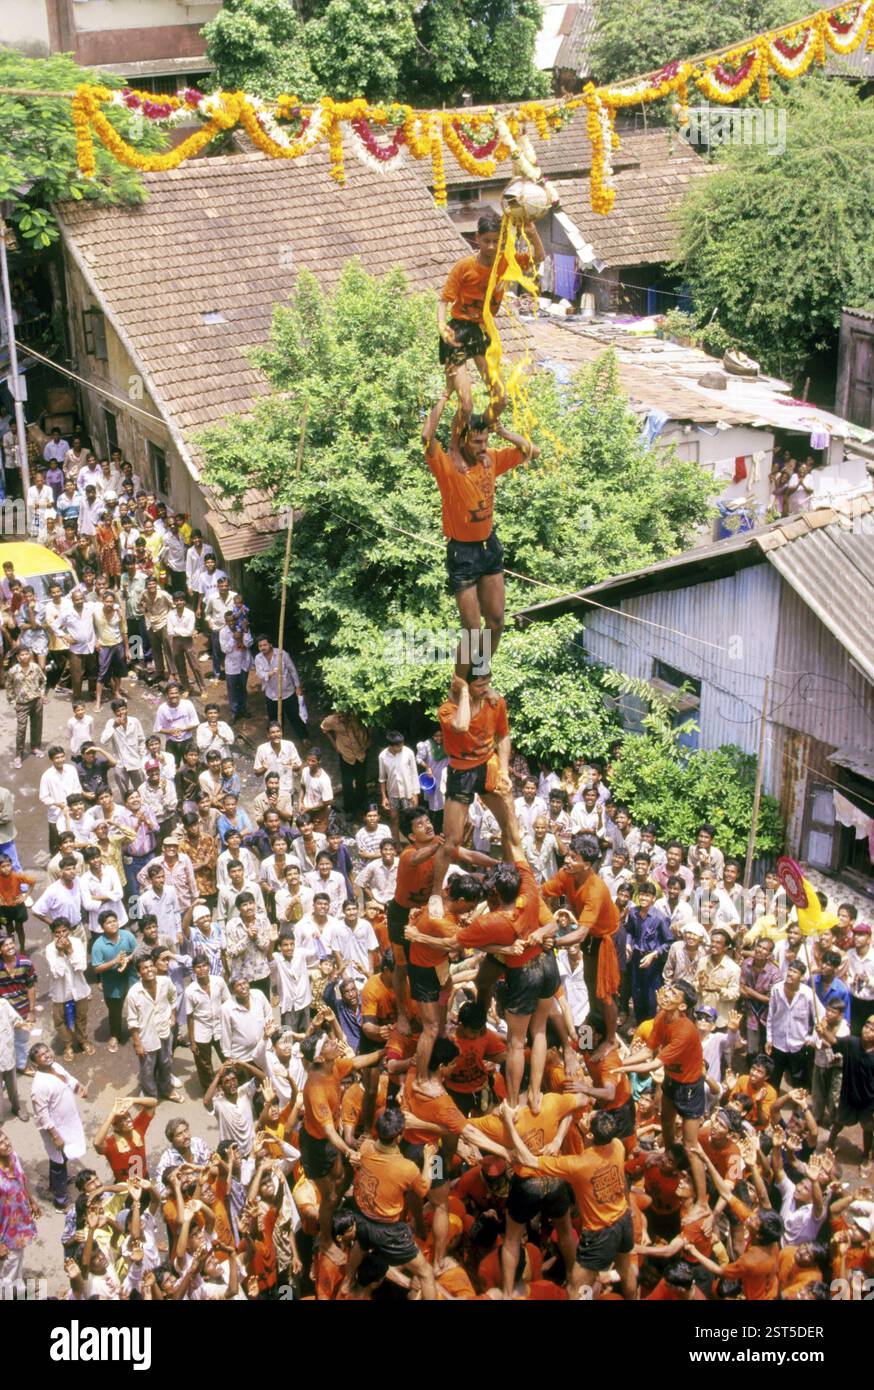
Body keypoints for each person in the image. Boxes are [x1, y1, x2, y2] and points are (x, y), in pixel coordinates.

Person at [422, 395, 538, 675]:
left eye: (485, 441)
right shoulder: (448, 468)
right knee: (473, 631)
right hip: (463, 553)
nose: (482, 447)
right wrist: (446, 395)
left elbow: (533, 452)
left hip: (489, 547)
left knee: (496, 622)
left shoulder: (491, 459)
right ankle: (459, 684)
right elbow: (427, 438)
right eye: (476, 442)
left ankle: (480, 675)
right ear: (462, 441)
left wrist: (503, 431)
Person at [504, 1104, 637, 1301]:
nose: (584, 1116)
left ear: (590, 1135)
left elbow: (528, 1160)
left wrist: (508, 1122)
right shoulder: (617, 1146)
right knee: (625, 1269)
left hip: (599, 1233)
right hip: (623, 1220)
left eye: (587, 1118)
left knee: (576, 1289)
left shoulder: (578, 1165)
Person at [437, 208, 543, 427]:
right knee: (466, 404)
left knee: (501, 399)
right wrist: (441, 325)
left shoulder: (505, 262)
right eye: (486, 241)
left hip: (482, 331)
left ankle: (478, 432)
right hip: (457, 332)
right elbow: (444, 301)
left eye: (496, 242)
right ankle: (457, 440)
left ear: (502, 242)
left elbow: (538, 258)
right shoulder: (464, 267)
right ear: (477, 238)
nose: (491, 247)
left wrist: (532, 233)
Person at [620, 981, 708, 1203]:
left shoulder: (685, 1031)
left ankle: (702, 1201)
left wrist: (622, 1068)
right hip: (671, 1079)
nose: (666, 995)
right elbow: (647, 1052)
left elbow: (653, 1064)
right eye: (668, 990)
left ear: (682, 1006)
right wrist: (621, 1062)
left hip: (689, 1087)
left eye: (673, 994)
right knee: (666, 1122)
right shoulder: (661, 1017)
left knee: (690, 1146)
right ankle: (669, 1159)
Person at [345, 1106, 439, 1299]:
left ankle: (347, 1282)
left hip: (363, 1218)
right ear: (399, 1136)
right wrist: (429, 1160)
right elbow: (423, 1189)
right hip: (388, 1230)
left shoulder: (366, 1147)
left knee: (361, 1244)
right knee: (426, 1274)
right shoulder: (407, 1168)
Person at [542, 833, 622, 1053]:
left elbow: (579, 934)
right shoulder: (566, 874)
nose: (567, 860)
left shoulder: (596, 890)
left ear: (586, 864)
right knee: (590, 986)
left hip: (606, 938)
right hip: (589, 935)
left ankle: (611, 1039)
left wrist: (551, 941)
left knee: (604, 993)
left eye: (573, 858)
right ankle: (590, 1037)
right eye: (568, 855)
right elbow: (543, 891)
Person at [29, 1041, 87, 1210]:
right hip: (56, 1129)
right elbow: (42, 1115)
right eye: (41, 1055)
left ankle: (56, 1184)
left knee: (61, 1158)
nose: (46, 1055)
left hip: (68, 1123)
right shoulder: (39, 1086)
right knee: (58, 1161)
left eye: (46, 1051)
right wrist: (55, 1136)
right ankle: (61, 1200)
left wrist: (78, 1087)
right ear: (35, 1063)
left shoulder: (55, 1066)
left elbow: (68, 1078)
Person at [123, 954, 183, 1103]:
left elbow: (173, 997)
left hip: (164, 1031)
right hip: (146, 1037)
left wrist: (173, 1015)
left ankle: (166, 1089)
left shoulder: (165, 982)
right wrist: (137, 1043)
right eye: (145, 968)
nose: (149, 970)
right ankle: (151, 1097)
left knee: (166, 1063)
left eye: (151, 966)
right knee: (147, 1069)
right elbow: (132, 1021)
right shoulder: (133, 993)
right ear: (139, 973)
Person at [90, 911, 138, 1053]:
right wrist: (115, 961)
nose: (112, 924)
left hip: (131, 977)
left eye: (114, 921)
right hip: (112, 984)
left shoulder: (127, 935)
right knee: (115, 1011)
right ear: (102, 927)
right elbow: (97, 968)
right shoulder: (98, 945)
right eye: (108, 923)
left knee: (138, 1004)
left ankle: (141, 1032)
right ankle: (115, 1036)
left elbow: (136, 951)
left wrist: (128, 959)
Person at [45, 920, 92, 1063]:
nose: (61, 935)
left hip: (79, 989)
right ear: (53, 934)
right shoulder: (50, 948)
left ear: (69, 931)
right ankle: (68, 1045)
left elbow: (82, 967)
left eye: (64, 931)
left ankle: (83, 1040)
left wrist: (70, 950)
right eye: (57, 932)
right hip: (60, 991)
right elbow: (57, 973)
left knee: (81, 1017)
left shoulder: (77, 943)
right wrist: (60, 952)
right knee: (60, 1021)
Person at [766, 959, 816, 1092]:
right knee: (773, 1079)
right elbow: (770, 1016)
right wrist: (769, 1039)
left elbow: (819, 1018)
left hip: (798, 1045)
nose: (790, 974)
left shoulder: (808, 994)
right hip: (778, 1043)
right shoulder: (776, 989)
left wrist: (812, 1038)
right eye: (790, 970)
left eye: (795, 972)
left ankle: (797, 1103)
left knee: (798, 1081)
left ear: (801, 976)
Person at [0, 1129, 41, 1290]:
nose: (6, 1144)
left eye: (6, 1138)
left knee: (18, 1257)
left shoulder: (13, 1156)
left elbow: (21, 1181)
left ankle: (19, 1288)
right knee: (9, 1268)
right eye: (1, 1143)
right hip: (5, 1232)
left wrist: (31, 1201)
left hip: (20, 1222)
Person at [254, 636, 307, 741]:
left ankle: (304, 737)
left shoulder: (282, 654)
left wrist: (297, 686)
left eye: (265, 645)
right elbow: (259, 673)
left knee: (294, 716)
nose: (262, 647)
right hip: (271, 694)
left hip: (287, 692)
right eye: (260, 646)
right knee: (275, 720)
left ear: (270, 644)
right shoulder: (258, 658)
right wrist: (270, 673)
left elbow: (292, 670)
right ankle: (277, 740)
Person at [321, 711, 370, 818]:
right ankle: (349, 809)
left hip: (361, 751)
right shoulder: (333, 720)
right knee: (347, 782)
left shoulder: (357, 714)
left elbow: (370, 723)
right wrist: (335, 744)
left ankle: (362, 803)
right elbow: (324, 728)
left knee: (361, 779)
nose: (344, 718)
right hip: (346, 754)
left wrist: (367, 738)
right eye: (342, 716)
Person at [7, 648, 47, 770]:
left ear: (29, 655)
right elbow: (9, 686)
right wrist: (12, 701)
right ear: (18, 657)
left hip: (36, 701)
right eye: (22, 654)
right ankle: (18, 755)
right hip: (22, 703)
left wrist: (42, 694)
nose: (25, 656)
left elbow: (43, 681)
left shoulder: (35, 667)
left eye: (26, 654)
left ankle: (35, 747)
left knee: (37, 725)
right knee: (21, 729)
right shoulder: (13, 670)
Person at [378, 731, 420, 843]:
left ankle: (416, 844)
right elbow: (382, 778)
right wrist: (384, 797)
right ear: (391, 746)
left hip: (408, 793)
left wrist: (415, 794)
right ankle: (397, 845)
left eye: (402, 744)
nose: (402, 747)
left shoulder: (408, 752)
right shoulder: (382, 756)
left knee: (411, 818)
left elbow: (414, 773)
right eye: (399, 746)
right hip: (393, 794)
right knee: (393, 818)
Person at [167, 593, 204, 696]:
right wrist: (182, 631)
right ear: (174, 602)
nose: (179, 602)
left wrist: (176, 630)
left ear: (184, 601)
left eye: (181, 600)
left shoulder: (190, 614)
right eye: (177, 600)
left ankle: (203, 688)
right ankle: (186, 687)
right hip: (176, 641)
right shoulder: (170, 614)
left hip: (188, 641)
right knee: (180, 666)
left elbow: (190, 631)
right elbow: (170, 631)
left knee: (195, 665)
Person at [847, 922, 874, 1036]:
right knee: (853, 1033)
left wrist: (869, 981)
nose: (856, 937)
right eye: (855, 934)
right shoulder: (849, 954)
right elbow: (846, 976)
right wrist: (851, 981)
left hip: (871, 1003)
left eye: (861, 935)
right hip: (853, 1001)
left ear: (868, 940)